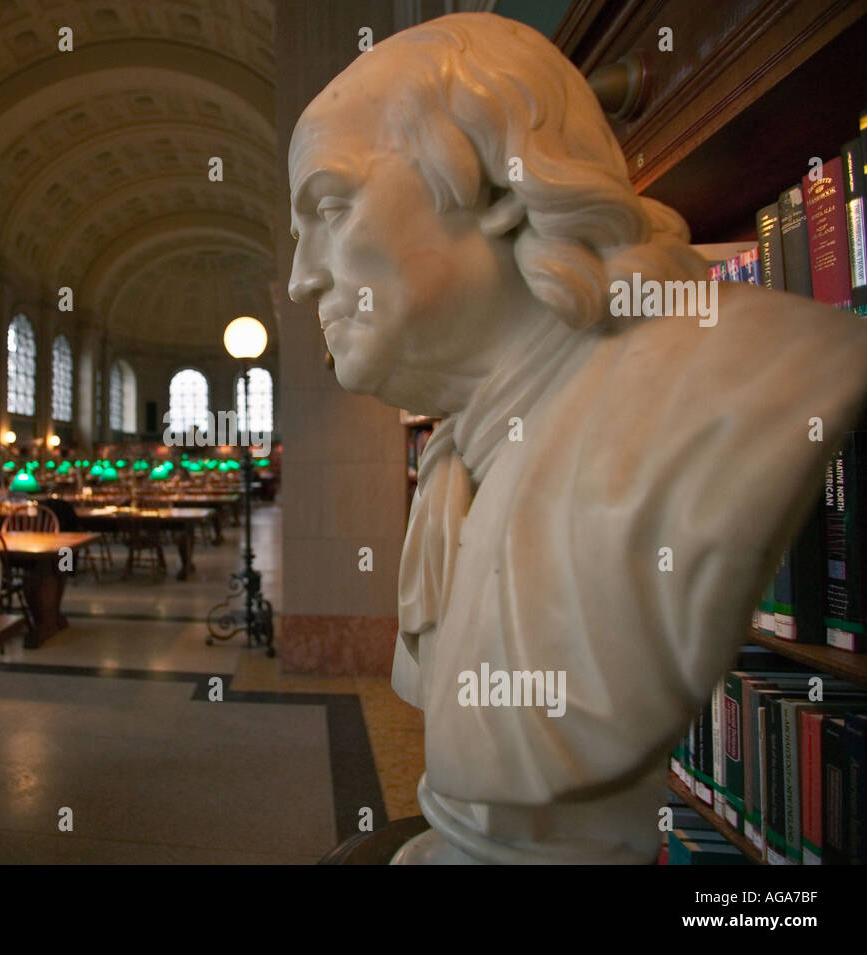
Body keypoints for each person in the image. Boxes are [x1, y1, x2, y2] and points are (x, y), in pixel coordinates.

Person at [288, 12, 867, 862]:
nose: (303, 278)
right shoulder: (458, 462)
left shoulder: (734, 385)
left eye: (331, 206)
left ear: (499, 186)